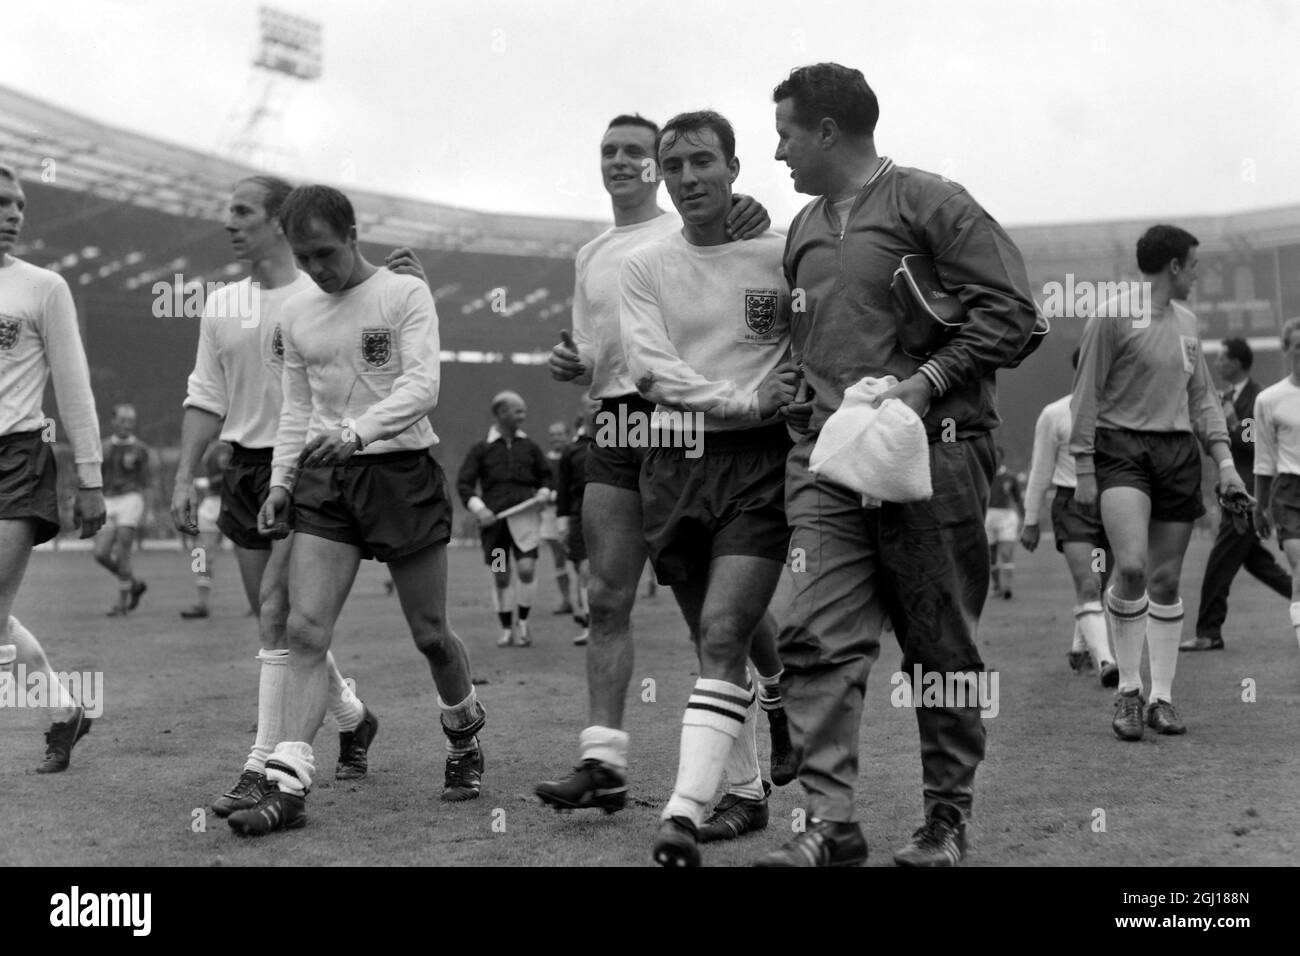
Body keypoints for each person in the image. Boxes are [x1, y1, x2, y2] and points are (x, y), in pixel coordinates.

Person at [755, 63, 1038, 867]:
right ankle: (831, 824)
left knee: (941, 652)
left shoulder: (931, 202)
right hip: (827, 464)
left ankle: (946, 823)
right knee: (813, 638)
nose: (778, 152)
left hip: (937, 456)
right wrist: (788, 390)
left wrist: (927, 383)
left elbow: (1015, 315)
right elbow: (800, 345)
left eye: (784, 134)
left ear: (826, 131)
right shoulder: (801, 230)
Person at [537, 114, 789, 813]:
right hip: (618, 421)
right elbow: (600, 347)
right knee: (608, 595)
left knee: (714, 611)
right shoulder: (594, 255)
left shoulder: (712, 226)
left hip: (689, 425)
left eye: (635, 153)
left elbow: (747, 253)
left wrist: (756, 213)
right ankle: (604, 759)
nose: (622, 162)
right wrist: (575, 361)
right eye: (608, 150)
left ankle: (773, 697)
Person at [173, 176, 414, 815]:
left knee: (280, 614)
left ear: (281, 221)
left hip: (307, 465)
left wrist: (400, 287)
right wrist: (182, 475)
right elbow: (205, 393)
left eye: (242, 210)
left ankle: (261, 766)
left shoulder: (326, 287)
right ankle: (352, 715)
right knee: (273, 619)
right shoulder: (221, 305)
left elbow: (390, 357)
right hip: (244, 468)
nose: (229, 222)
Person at [616, 110, 795, 866]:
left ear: (733, 167)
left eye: (702, 162)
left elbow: (818, 334)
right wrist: (740, 398)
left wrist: (777, 402)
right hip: (676, 457)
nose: (688, 177)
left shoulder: (785, 253)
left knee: (723, 630)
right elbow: (651, 368)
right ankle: (748, 791)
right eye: (674, 164)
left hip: (761, 462)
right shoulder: (644, 266)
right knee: (709, 636)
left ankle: (684, 813)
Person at [1071, 224, 1245, 742]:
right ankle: (1128, 692)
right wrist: (1083, 465)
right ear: (1173, 265)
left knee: (1166, 582)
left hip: (1176, 454)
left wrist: (1227, 463)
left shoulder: (1188, 322)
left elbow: (1202, 400)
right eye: (1193, 264)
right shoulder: (1113, 313)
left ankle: (1161, 699)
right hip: (1121, 448)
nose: (1196, 273)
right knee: (1131, 567)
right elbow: (1086, 392)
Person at [0, 161, 105, 772]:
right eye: (1, 203)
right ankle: (65, 712)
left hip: (17, 458)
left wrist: (89, 477)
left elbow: (74, 387)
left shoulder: (44, 287)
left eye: (18, 205)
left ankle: (64, 713)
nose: (13, 215)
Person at [1183, 337, 1290, 651]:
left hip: (1247, 494)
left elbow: (1253, 445)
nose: (1217, 364)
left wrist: (1228, 417)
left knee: (1219, 564)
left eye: (1222, 358)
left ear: (1237, 363)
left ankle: (1209, 632)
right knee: (1258, 563)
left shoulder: (1256, 398)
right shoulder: (1225, 397)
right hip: (1233, 491)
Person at [1020, 348, 1118, 685]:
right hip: (1073, 508)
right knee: (1089, 582)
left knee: (1099, 583)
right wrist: (1031, 520)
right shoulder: (1055, 414)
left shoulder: (1122, 413)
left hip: (1112, 510)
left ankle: (1080, 649)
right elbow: (1040, 469)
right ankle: (1106, 662)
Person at [457, 392, 552, 647]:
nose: (524, 415)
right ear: (501, 414)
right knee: (502, 575)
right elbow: (464, 485)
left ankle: (523, 623)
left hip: (525, 523)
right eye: (518, 411)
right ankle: (506, 628)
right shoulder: (481, 449)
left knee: (526, 569)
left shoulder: (530, 447)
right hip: (496, 528)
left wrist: (544, 491)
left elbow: (546, 476)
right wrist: (481, 510)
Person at [1250, 317, 1300, 655]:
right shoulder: (1269, 400)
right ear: (1286, 351)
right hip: (1289, 493)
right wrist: (1260, 506)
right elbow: (1264, 460)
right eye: (1298, 347)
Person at [94, 404, 151, 617]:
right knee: (100, 554)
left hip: (130, 498)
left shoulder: (141, 449)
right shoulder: (103, 447)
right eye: (123, 420)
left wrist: (147, 510)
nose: (127, 425)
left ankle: (122, 604)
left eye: (131, 421)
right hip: (108, 501)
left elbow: (146, 482)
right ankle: (134, 584)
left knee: (123, 550)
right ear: (114, 422)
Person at [557, 403, 598, 645]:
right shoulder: (571, 450)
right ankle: (589, 623)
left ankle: (609, 621)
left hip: (613, 513)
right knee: (584, 569)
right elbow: (563, 490)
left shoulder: (618, 441)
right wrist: (562, 523)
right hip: (579, 514)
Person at [180, 439, 231, 619]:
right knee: (200, 553)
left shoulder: (228, 445)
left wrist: (206, 483)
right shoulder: (207, 445)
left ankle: (258, 602)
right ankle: (201, 603)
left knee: (249, 555)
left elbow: (228, 473)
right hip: (210, 504)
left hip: (231, 505)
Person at [543, 420, 575, 615]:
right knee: (558, 558)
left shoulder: (575, 455)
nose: (556, 438)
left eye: (559, 434)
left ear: (568, 435)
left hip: (573, 513)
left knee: (580, 557)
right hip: (550, 514)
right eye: (552, 434)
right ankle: (566, 600)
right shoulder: (545, 461)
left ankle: (583, 601)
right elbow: (540, 482)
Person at [986, 447, 1023, 599]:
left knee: (1007, 553)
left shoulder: (1010, 477)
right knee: (991, 556)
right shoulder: (983, 475)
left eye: (997, 457)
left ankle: (1007, 588)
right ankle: (996, 586)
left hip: (1006, 516)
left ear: (1002, 458)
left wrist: (1026, 519)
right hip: (988, 516)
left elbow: (1018, 499)